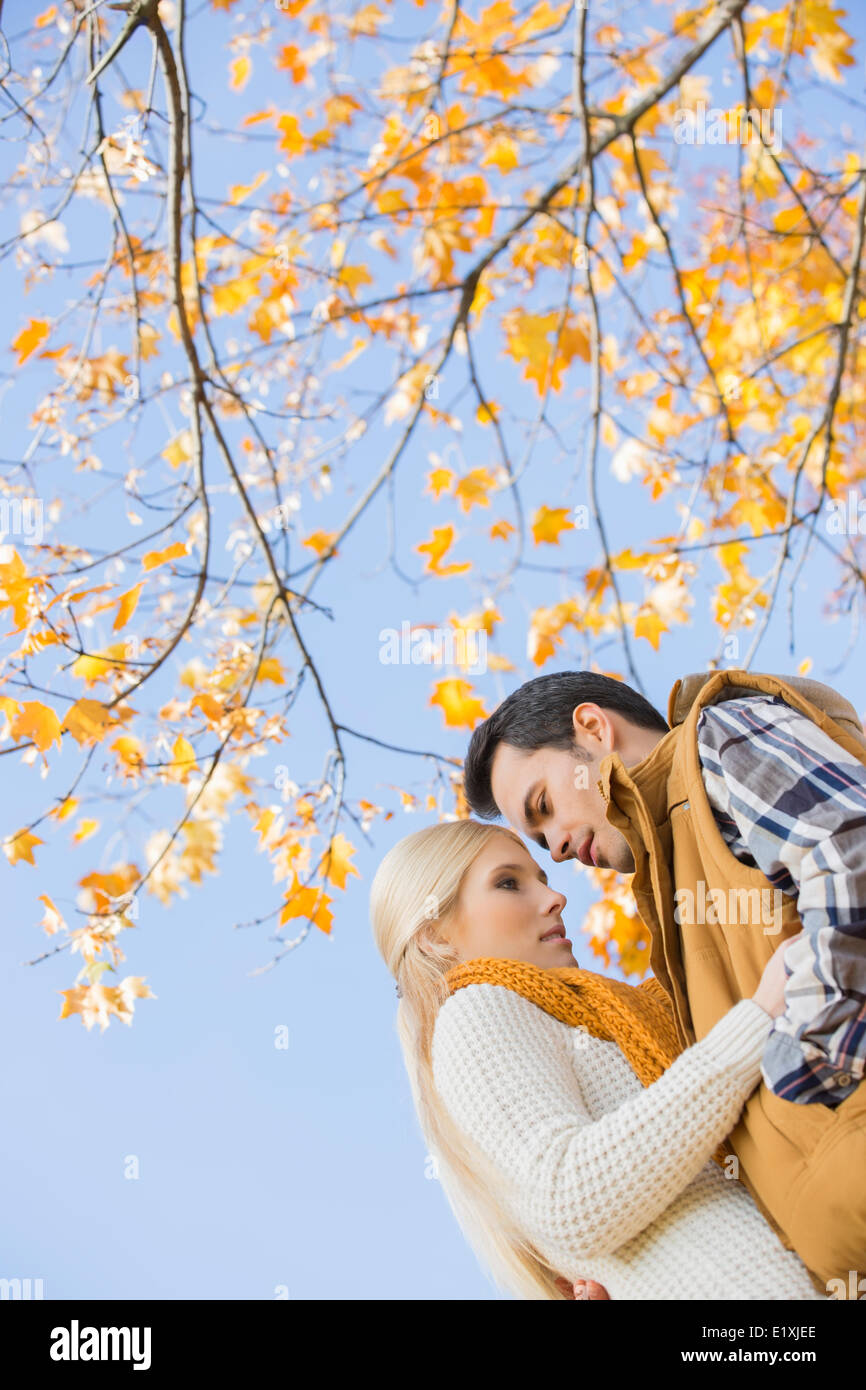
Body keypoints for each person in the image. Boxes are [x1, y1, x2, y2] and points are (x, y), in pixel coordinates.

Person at [461, 667, 866, 1291]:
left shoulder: (717, 740)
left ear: (593, 730)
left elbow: (851, 854)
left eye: (544, 807)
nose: (558, 852)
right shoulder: (675, 899)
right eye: (540, 843)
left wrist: (808, 1069)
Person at [369, 817, 825, 1300]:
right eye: (508, 883)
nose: (554, 898)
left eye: (541, 879)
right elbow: (567, 1199)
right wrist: (754, 1023)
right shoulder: (475, 1010)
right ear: (434, 936)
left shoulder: (576, 1019)